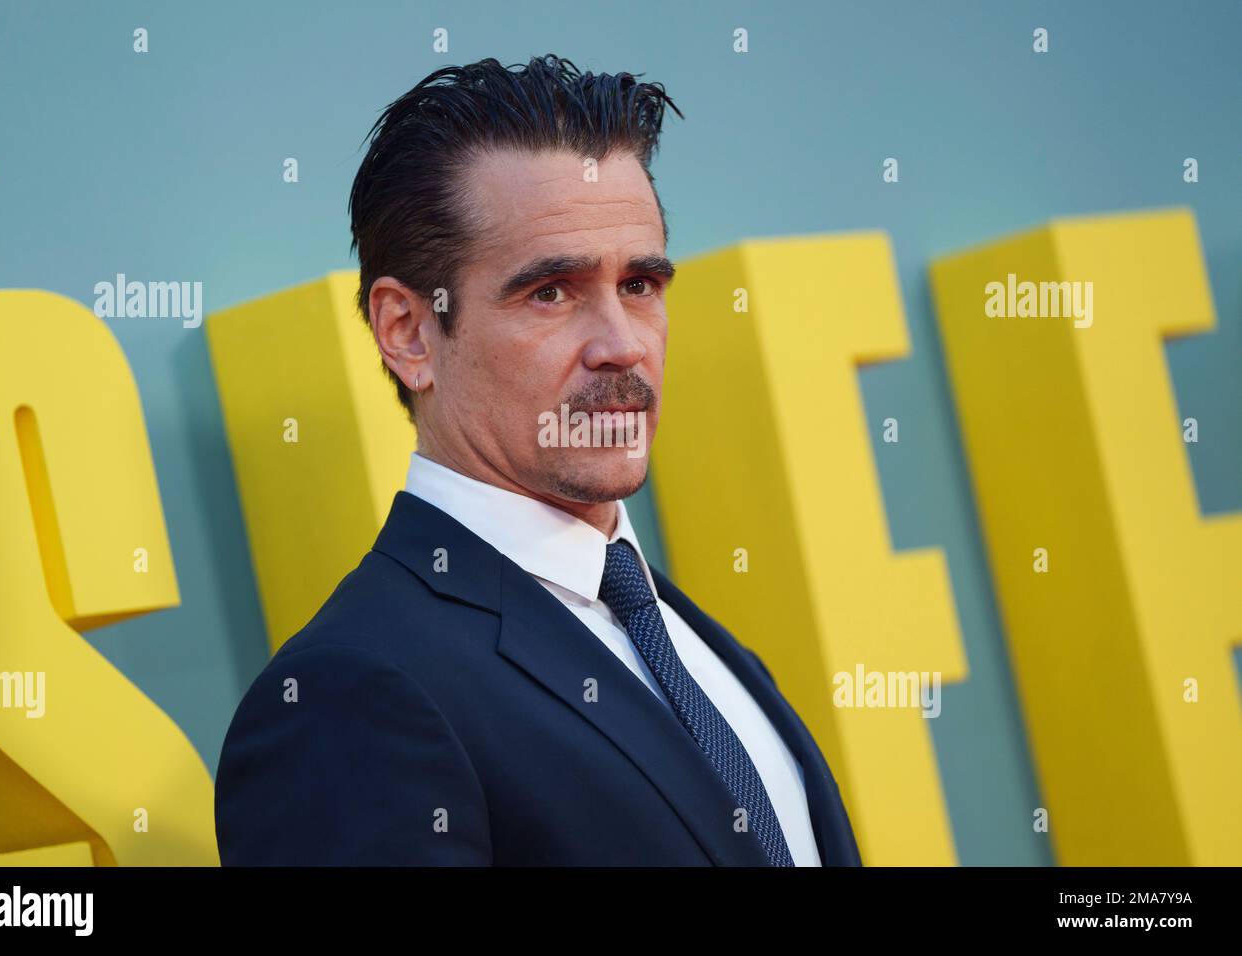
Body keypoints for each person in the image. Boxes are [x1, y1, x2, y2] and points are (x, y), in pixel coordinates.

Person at [214, 54, 861, 866]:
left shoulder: (683, 637)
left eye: (641, 284)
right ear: (409, 333)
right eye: (550, 292)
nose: (623, 345)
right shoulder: (349, 697)